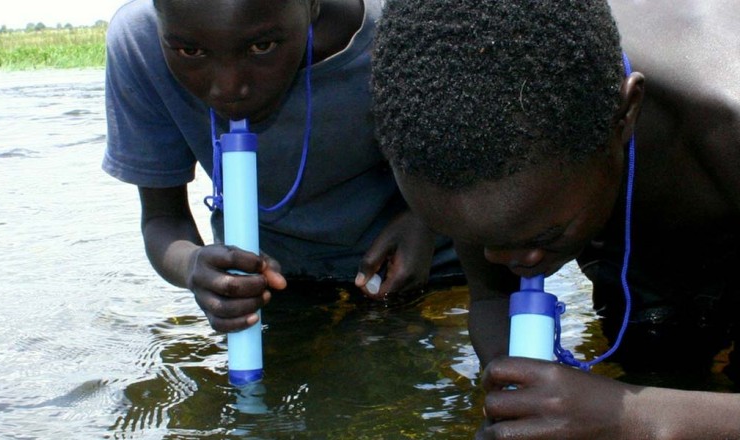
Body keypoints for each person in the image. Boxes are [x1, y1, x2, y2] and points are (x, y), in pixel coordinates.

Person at [372, 0, 740, 438]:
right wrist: (521, 399)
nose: (511, 261)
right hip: (642, 255)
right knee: (655, 353)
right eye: (471, 238)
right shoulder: (470, 137)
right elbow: (493, 301)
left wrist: (629, 418)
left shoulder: (725, 120)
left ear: (624, 116)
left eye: (543, 234)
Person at [102, 0, 463, 333]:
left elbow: (474, 171)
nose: (229, 88)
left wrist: (427, 218)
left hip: (431, 273)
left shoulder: (402, 28)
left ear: (312, 5)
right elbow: (163, 219)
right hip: (273, 295)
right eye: (190, 51)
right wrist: (194, 266)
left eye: (262, 47)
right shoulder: (140, 43)